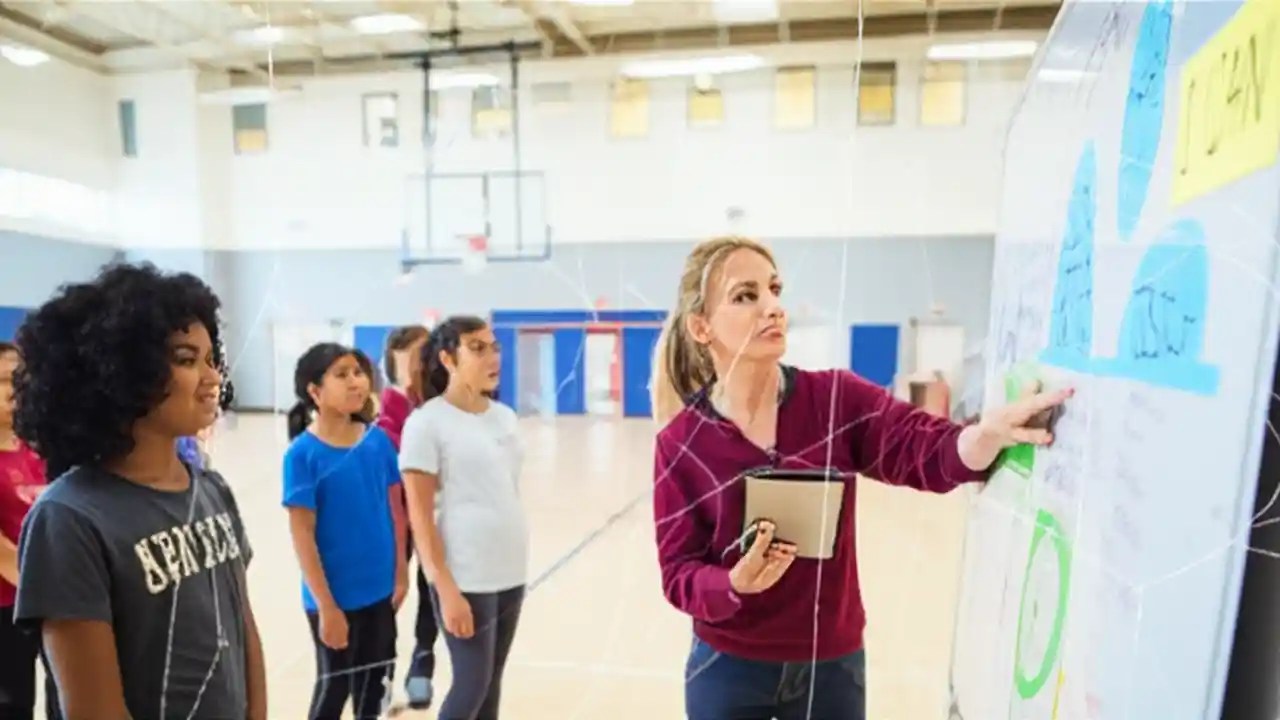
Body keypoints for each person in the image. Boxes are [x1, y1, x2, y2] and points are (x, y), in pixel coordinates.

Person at [649, 236, 1072, 720]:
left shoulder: (836, 400)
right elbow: (679, 572)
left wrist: (983, 437)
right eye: (746, 295)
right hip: (726, 669)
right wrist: (733, 583)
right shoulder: (681, 443)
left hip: (831, 665)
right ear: (701, 327)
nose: (773, 307)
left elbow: (924, 448)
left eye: (774, 289)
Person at [11, 263, 267, 720]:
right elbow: (93, 709)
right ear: (125, 372)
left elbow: (243, 630)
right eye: (187, 359)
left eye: (212, 359)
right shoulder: (69, 518)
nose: (212, 378)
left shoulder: (212, 489)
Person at [400, 316, 528, 720]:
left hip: (509, 571)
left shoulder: (504, 416)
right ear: (447, 358)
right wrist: (445, 587)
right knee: (471, 685)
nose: (492, 357)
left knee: (491, 687)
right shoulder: (426, 423)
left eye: (494, 347)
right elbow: (419, 517)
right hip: (465, 576)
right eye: (477, 348)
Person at [283, 342, 409, 720]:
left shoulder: (377, 442)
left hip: (380, 593)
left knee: (376, 687)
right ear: (315, 392)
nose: (356, 382)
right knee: (334, 688)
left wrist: (401, 573)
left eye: (358, 372)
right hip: (334, 599)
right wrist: (326, 607)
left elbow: (394, 511)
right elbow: (302, 535)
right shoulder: (302, 455)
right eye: (341, 375)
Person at [373, 325, 441, 710]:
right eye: (413, 357)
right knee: (390, 597)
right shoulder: (387, 414)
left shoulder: (436, 407)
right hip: (395, 517)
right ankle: (382, 675)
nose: (420, 365)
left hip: (431, 516)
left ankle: (422, 665)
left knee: (431, 592)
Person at [0, 342, 47, 720]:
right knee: (11, 703)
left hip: (37, 597)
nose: (13, 390)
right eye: (2, 381)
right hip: (7, 603)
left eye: (18, 380)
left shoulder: (34, 451)